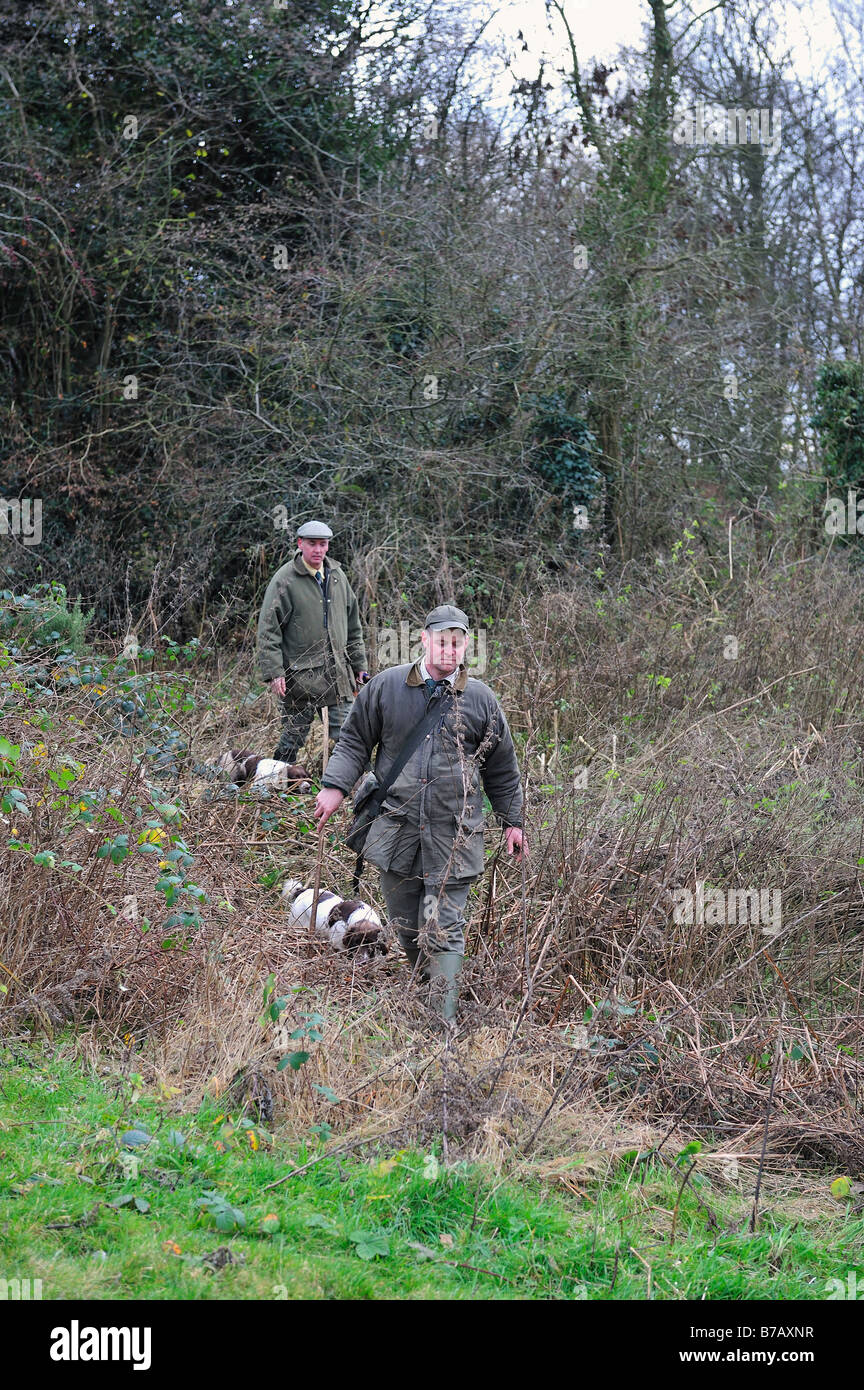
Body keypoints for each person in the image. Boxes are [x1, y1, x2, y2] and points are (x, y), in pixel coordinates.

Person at [314, 604, 525, 1021]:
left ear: (467, 645)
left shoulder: (481, 700)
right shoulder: (387, 687)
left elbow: (502, 767)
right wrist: (335, 786)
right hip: (397, 832)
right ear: (424, 640)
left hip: (455, 835)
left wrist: (512, 821)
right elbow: (355, 739)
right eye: (442, 641)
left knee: (444, 930)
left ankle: (441, 1023)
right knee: (407, 926)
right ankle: (426, 990)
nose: (450, 651)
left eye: (458, 642)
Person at [256, 520, 369, 763]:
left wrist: (359, 665)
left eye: (323, 544)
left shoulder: (338, 576)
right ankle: (276, 784)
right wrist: (275, 672)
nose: (318, 550)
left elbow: (353, 626)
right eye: (312, 544)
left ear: (328, 546)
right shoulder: (284, 580)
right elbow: (268, 629)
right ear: (300, 544)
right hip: (300, 678)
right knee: (292, 738)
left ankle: (363, 789)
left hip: (338, 675)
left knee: (350, 736)